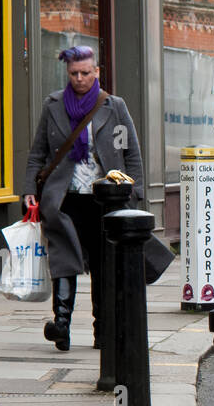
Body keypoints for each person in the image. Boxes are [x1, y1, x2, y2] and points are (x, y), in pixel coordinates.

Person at [24, 46, 144, 351]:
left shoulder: (114, 107)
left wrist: (135, 191)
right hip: (64, 199)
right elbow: (38, 152)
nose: (80, 78)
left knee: (105, 266)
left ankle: (103, 329)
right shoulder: (53, 105)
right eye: (74, 74)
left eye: (86, 73)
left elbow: (130, 153)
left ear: (96, 72)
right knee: (64, 260)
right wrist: (28, 188)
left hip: (105, 199)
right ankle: (61, 324)